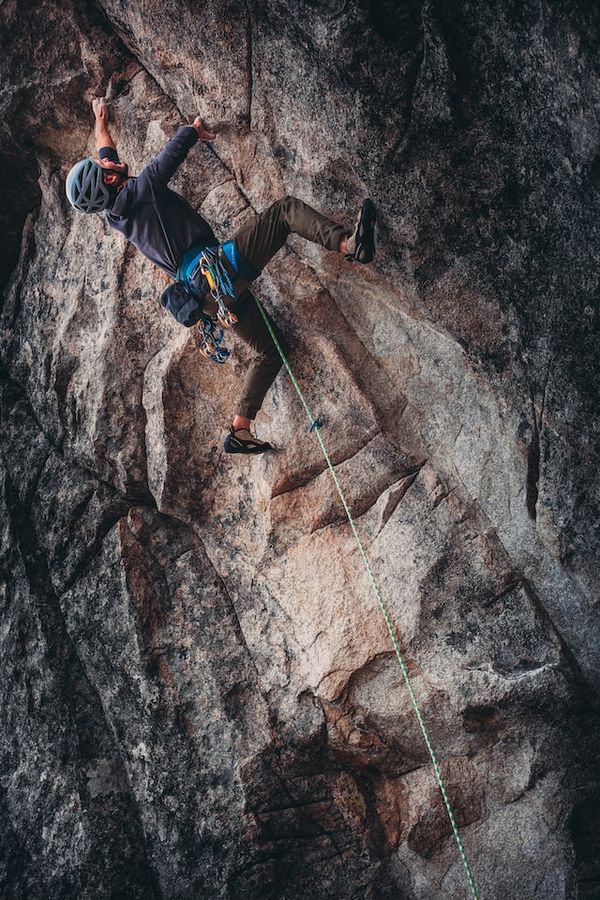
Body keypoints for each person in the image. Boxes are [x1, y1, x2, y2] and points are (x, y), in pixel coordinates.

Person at [66, 97, 377, 454]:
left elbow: (106, 156)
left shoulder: (116, 216)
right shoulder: (143, 189)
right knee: (284, 212)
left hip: (210, 302)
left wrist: (101, 123)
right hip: (219, 272)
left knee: (271, 351)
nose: (109, 159)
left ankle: (239, 429)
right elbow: (167, 158)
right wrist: (193, 131)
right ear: (108, 177)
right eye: (104, 164)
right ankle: (350, 246)